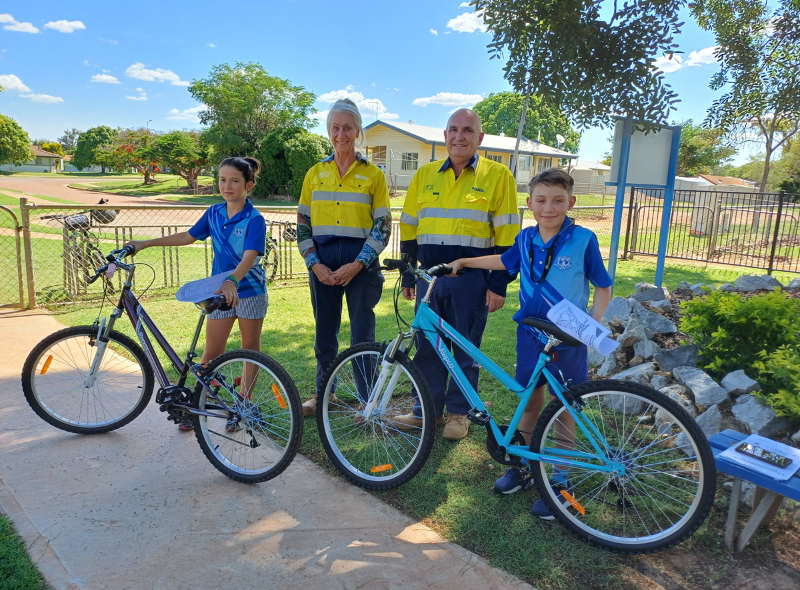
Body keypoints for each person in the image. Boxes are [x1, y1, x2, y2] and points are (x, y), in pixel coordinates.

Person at [447, 167, 613, 519]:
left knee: (564, 408)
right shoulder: (524, 238)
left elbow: (602, 284)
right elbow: (504, 262)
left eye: (557, 201)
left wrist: (593, 326)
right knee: (530, 401)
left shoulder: (583, 240)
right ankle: (521, 468)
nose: (548, 208)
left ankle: (560, 482)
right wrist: (465, 260)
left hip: (567, 339)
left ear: (571, 202)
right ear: (529, 203)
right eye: (541, 200)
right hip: (530, 335)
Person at [397, 108, 520, 440]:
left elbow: (508, 237)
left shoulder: (498, 177)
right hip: (429, 279)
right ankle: (425, 412)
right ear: (445, 135)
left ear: (480, 138)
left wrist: (498, 285)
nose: (459, 136)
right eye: (453, 129)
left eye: (468, 130)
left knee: (466, 349)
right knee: (427, 347)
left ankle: (459, 414)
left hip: (472, 281)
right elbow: (408, 228)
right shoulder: (424, 176)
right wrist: (409, 275)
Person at [125, 157, 267, 431]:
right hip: (220, 293)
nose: (227, 185)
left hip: (249, 292)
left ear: (248, 185)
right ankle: (198, 406)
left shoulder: (254, 219)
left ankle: (243, 406)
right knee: (212, 352)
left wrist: (232, 282)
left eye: (234, 181)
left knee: (250, 350)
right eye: (222, 179)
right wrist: (145, 244)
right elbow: (188, 236)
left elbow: (249, 257)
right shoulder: (213, 213)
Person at [297, 99, 391, 416]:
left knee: (362, 336)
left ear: (358, 131)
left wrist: (358, 263)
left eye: (347, 127)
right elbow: (302, 225)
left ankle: (369, 401)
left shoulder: (374, 175)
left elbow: (383, 225)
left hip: (361, 264)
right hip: (321, 262)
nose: (341, 134)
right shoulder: (314, 174)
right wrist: (315, 264)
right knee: (325, 332)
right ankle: (326, 393)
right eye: (335, 127)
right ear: (328, 131)